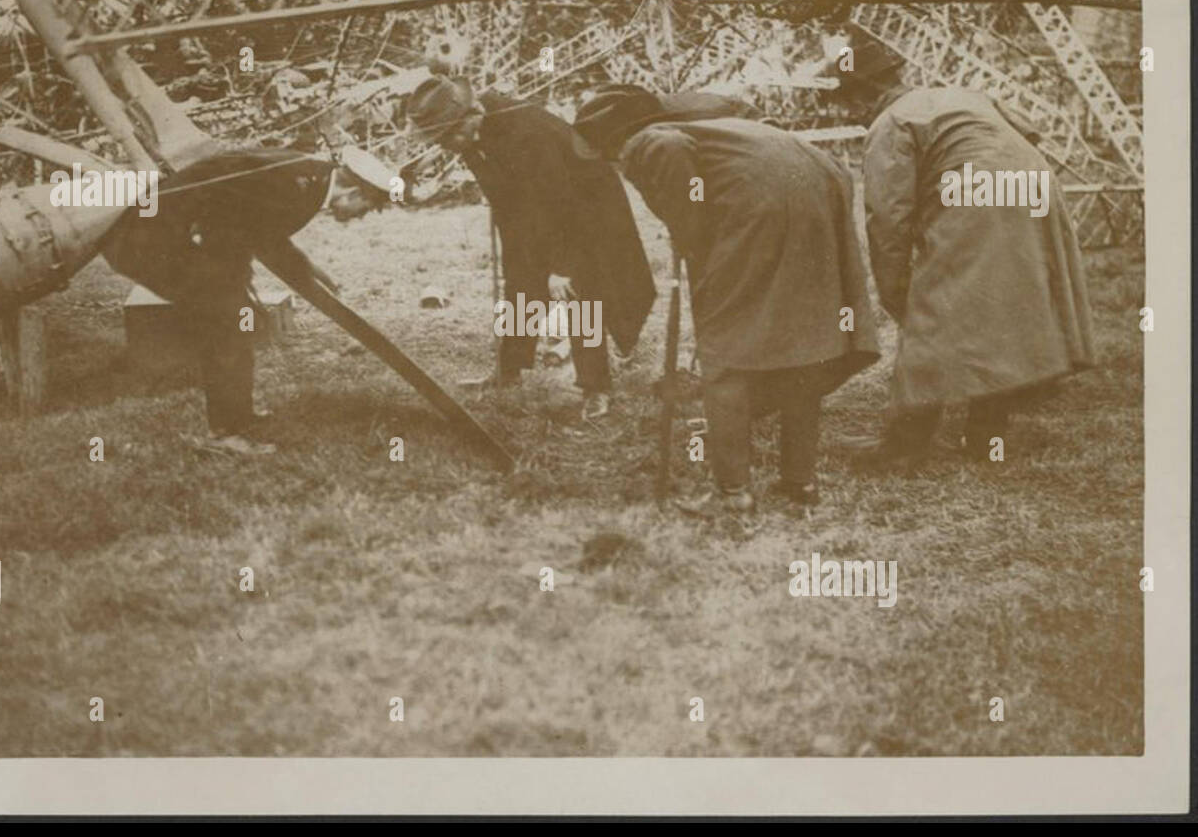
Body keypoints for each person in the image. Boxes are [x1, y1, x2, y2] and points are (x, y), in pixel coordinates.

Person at [573, 86, 880, 511]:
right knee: (801, 348)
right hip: (817, 195)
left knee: (724, 355)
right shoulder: (715, 124)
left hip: (761, 211)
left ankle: (733, 493)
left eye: (608, 156)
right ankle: (800, 484)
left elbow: (677, 171)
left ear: (613, 141)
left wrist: (690, 234)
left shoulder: (651, 138)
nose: (615, 165)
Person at [831, 41, 1096, 464]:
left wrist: (897, 291)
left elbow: (887, 218)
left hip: (977, 191)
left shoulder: (890, 121)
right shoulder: (959, 95)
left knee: (933, 309)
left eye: (847, 103)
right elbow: (1029, 130)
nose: (849, 115)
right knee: (1002, 310)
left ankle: (907, 445)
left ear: (863, 94)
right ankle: (987, 437)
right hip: (1034, 185)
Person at [404, 75, 655, 422]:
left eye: (450, 135)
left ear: (472, 113)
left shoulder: (525, 132)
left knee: (580, 293)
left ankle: (596, 387)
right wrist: (516, 247)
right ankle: (508, 373)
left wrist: (560, 266)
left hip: (585, 211)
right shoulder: (472, 134)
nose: (447, 144)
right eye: (441, 138)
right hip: (535, 210)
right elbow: (512, 197)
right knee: (520, 282)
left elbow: (558, 200)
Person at [102, 146, 374, 456]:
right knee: (228, 322)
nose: (361, 217)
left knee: (241, 318)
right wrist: (233, 284)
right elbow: (231, 232)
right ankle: (224, 433)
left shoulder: (307, 177)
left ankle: (238, 414)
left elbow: (263, 232)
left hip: (180, 237)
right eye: (367, 206)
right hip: (150, 239)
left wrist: (310, 272)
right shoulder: (294, 185)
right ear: (352, 190)